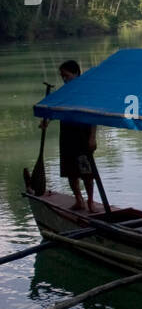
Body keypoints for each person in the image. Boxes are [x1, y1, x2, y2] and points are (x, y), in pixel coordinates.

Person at [39, 60, 98, 212]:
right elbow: (55, 110)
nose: (64, 79)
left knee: (87, 172)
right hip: (67, 136)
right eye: (62, 76)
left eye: (67, 75)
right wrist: (47, 120)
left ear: (76, 74)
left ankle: (90, 202)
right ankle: (79, 200)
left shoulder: (86, 92)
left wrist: (92, 137)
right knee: (70, 171)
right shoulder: (64, 92)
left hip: (82, 136)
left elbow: (94, 117)